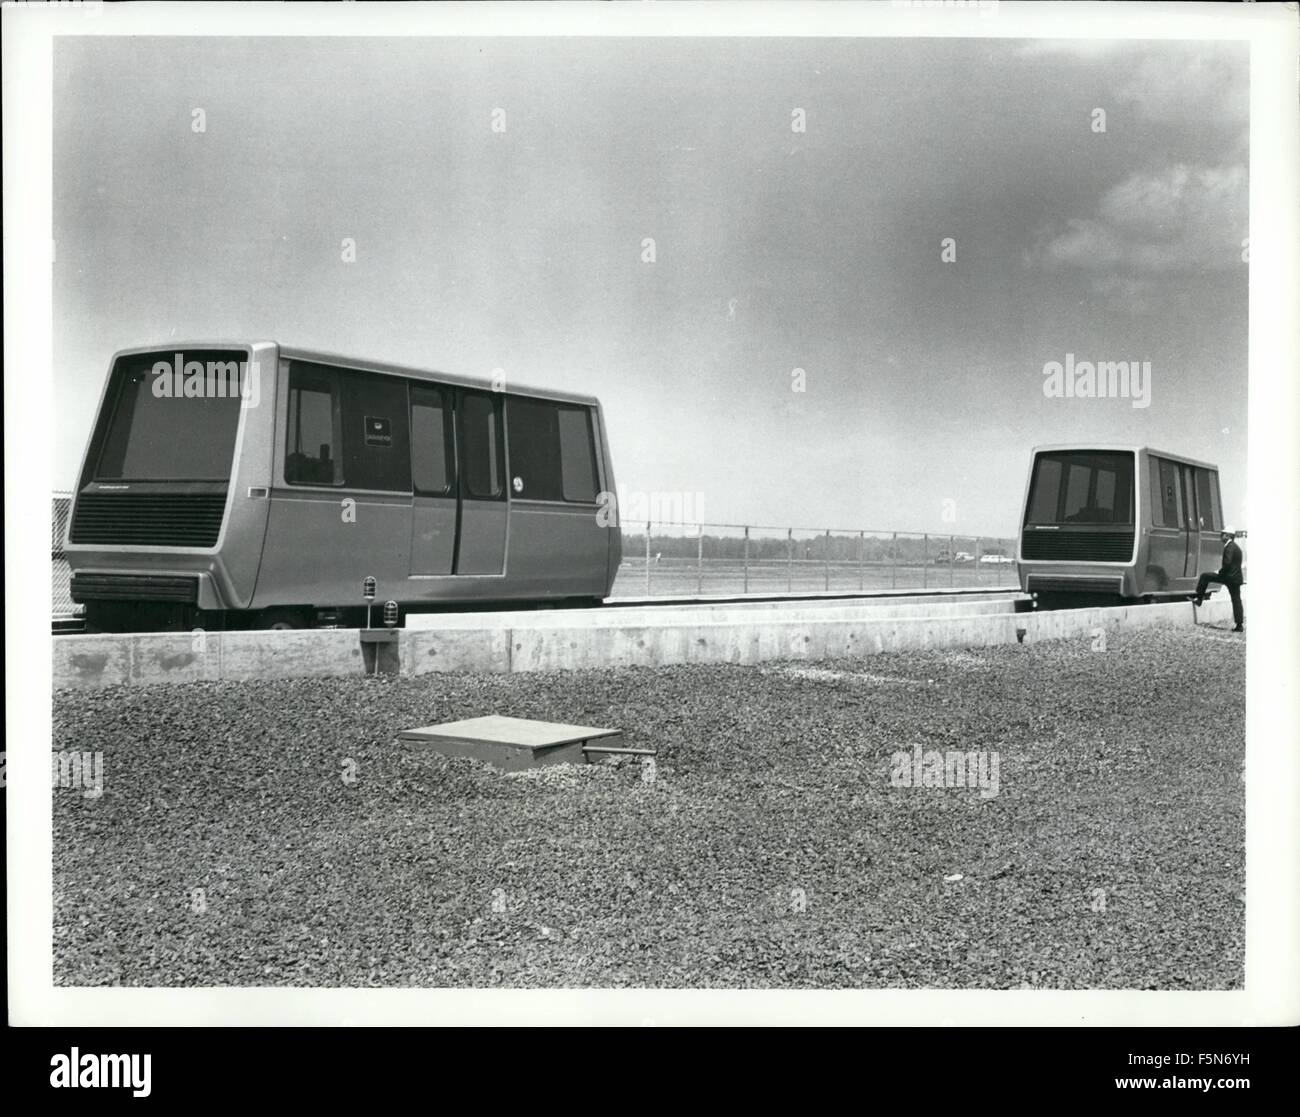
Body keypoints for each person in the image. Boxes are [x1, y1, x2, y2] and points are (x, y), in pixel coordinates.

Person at [1194, 526, 1244, 632]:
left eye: (1222, 534)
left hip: (1228, 577)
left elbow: (1227, 563)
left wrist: (1219, 572)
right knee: (1236, 600)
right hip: (1236, 579)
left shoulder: (1229, 547)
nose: (1221, 536)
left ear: (1227, 535)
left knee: (1205, 576)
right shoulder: (1236, 547)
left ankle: (1199, 599)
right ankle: (1239, 625)